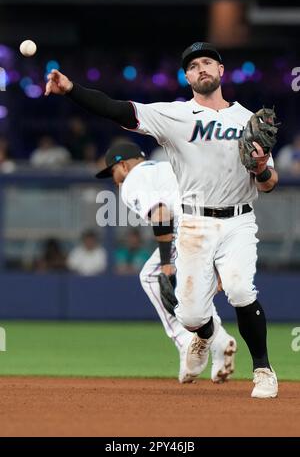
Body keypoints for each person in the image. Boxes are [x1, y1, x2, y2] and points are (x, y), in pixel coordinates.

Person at [45, 41, 278, 397]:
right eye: (193, 65)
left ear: (221, 71)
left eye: (207, 62)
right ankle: (200, 337)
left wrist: (262, 168)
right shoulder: (176, 116)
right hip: (195, 224)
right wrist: (71, 89)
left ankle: (263, 369)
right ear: (186, 77)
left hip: (238, 221)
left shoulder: (247, 120)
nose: (201, 68)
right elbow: (117, 110)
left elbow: (269, 184)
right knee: (191, 316)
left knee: (240, 289)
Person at [96, 140, 236, 383]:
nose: (114, 179)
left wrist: (166, 262)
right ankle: (219, 344)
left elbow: (161, 214)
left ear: (125, 166)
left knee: (152, 276)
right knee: (192, 290)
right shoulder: (164, 167)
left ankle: (187, 342)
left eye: (114, 172)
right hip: (222, 222)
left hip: (190, 227)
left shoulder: (132, 181)